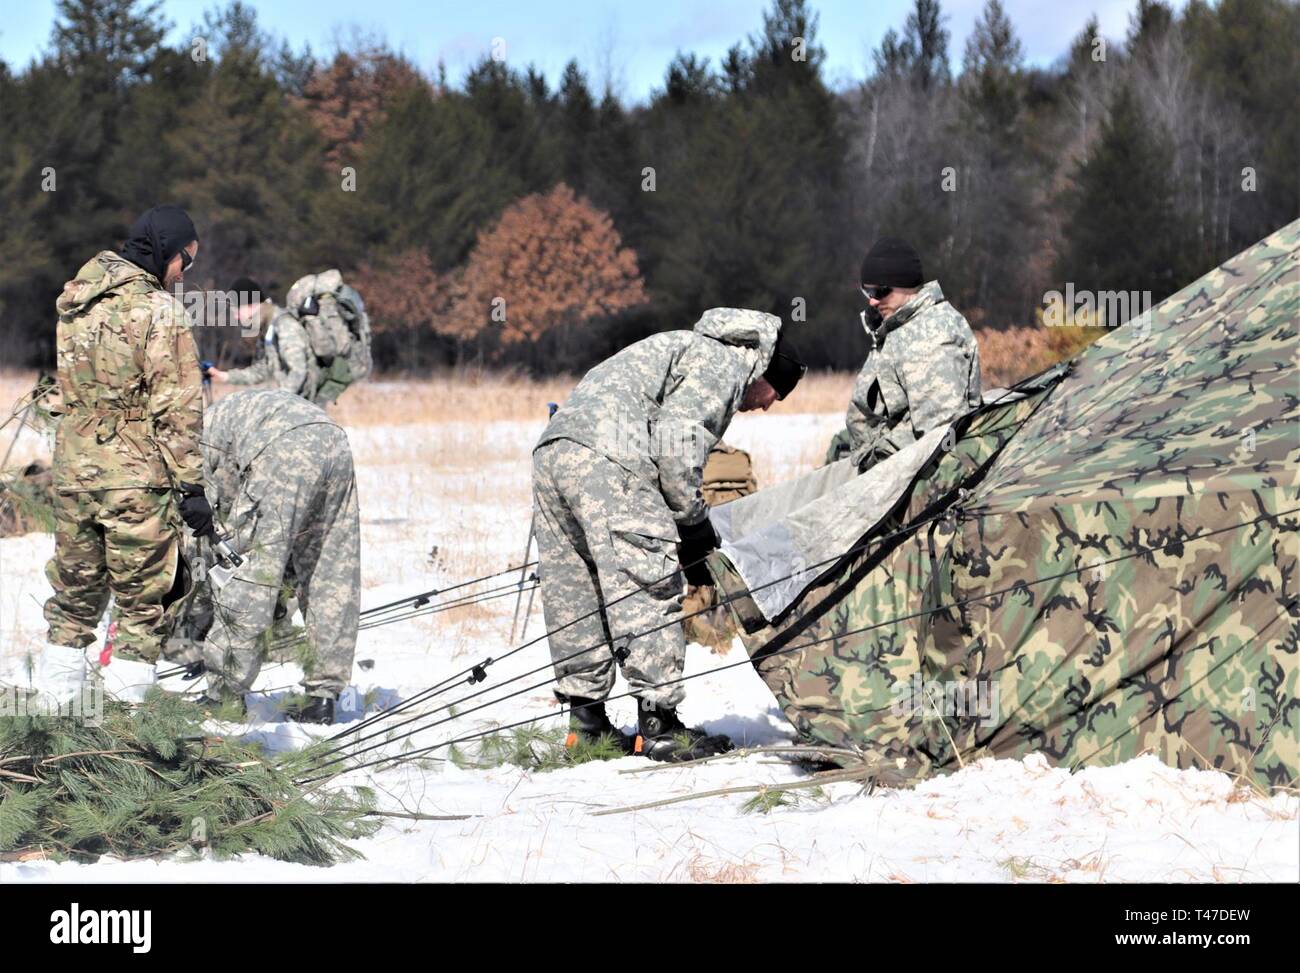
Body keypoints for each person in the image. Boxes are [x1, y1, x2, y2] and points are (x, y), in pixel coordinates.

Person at [532, 308, 805, 762]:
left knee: (576, 588)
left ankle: (586, 726)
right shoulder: (723, 364)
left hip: (554, 453)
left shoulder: (684, 347)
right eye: (777, 392)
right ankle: (659, 726)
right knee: (647, 583)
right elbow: (676, 445)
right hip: (611, 457)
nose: (767, 404)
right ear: (765, 370)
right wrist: (692, 523)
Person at [42, 205, 212, 663]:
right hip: (134, 481)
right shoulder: (159, 310)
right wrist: (191, 485)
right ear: (164, 252)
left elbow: (66, 391)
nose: (182, 274)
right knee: (142, 610)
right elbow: (177, 407)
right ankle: (134, 731)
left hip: (74, 474)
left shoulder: (75, 307)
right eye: (184, 260)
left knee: (72, 605)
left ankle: (61, 723)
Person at [191, 389, 360, 723]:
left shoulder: (194, 440)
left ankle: (225, 694)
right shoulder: (227, 415)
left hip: (283, 450)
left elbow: (214, 531)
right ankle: (323, 697)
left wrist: (201, 597)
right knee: (332, 572)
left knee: (254, 569)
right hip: (333, 440)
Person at [826, 237, 982, 469]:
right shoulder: (897, 328)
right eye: (866, 291)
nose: (872, 301)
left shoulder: (932, 335)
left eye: (880, 290)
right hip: (877, 469)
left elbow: (938, 435)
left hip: (904, 478)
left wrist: (877, 457)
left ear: (906, 284)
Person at [204, 277, 319, 401]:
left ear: (250, 305)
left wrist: (277, 402)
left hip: (309, 403)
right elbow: (260, 371)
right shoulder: (267, 328)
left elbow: (298, 372)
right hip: (296, 400)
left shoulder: (284, 326)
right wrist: (224, 376)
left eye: (236, 311)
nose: (236, 317)